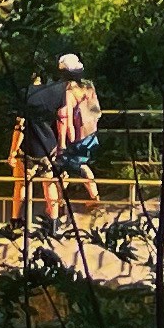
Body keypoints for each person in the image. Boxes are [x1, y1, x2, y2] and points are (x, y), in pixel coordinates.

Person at [7, 66, 70, 237]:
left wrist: (13, 151)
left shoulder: (25, 94)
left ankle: (16, 222)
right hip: (48, 146)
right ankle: (54, 223)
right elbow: (62, 119)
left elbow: (20, 126)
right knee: (49, 184)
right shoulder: (56, 91)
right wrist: (62, 144)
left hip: (28, 147)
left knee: (20, 184)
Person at [56, 53, 103, 212]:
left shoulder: (68, 91)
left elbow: (66, 118)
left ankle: (60, 202)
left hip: (76, 137)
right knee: (80, 166)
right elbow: (96, 110)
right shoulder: (89, 86)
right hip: (91, 133)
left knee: (66, 167)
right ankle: (93, 198)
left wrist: (63, 143)